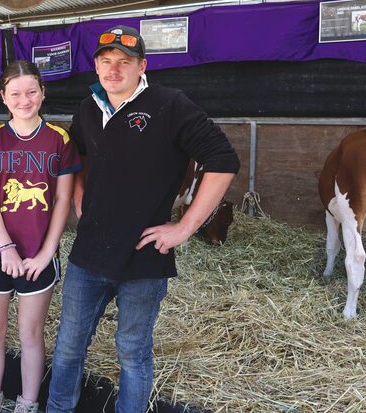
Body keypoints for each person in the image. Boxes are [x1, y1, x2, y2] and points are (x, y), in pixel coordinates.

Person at [46, 26, 240, 413]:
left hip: (144, 257)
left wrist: (186, 227)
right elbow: (75, 155)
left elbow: (223, 160)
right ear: (96, 66)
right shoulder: (88, 108)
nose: (113, 69)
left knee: (132, 354)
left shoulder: (169, 104)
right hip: (88, 255)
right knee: (68, 346)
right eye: (106, 61)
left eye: (124, 61)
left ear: (142, 66)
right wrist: (80, 195)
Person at [0, 61, 81, 413]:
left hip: (38, 253)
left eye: (32, 92)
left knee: (31, 333)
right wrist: (6, 247)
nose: (25, 100)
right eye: (16, 93)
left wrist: (47, 253)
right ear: (4, 97)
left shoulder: (59, 139)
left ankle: (28, 402)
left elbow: (62, 200)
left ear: (43, 94)